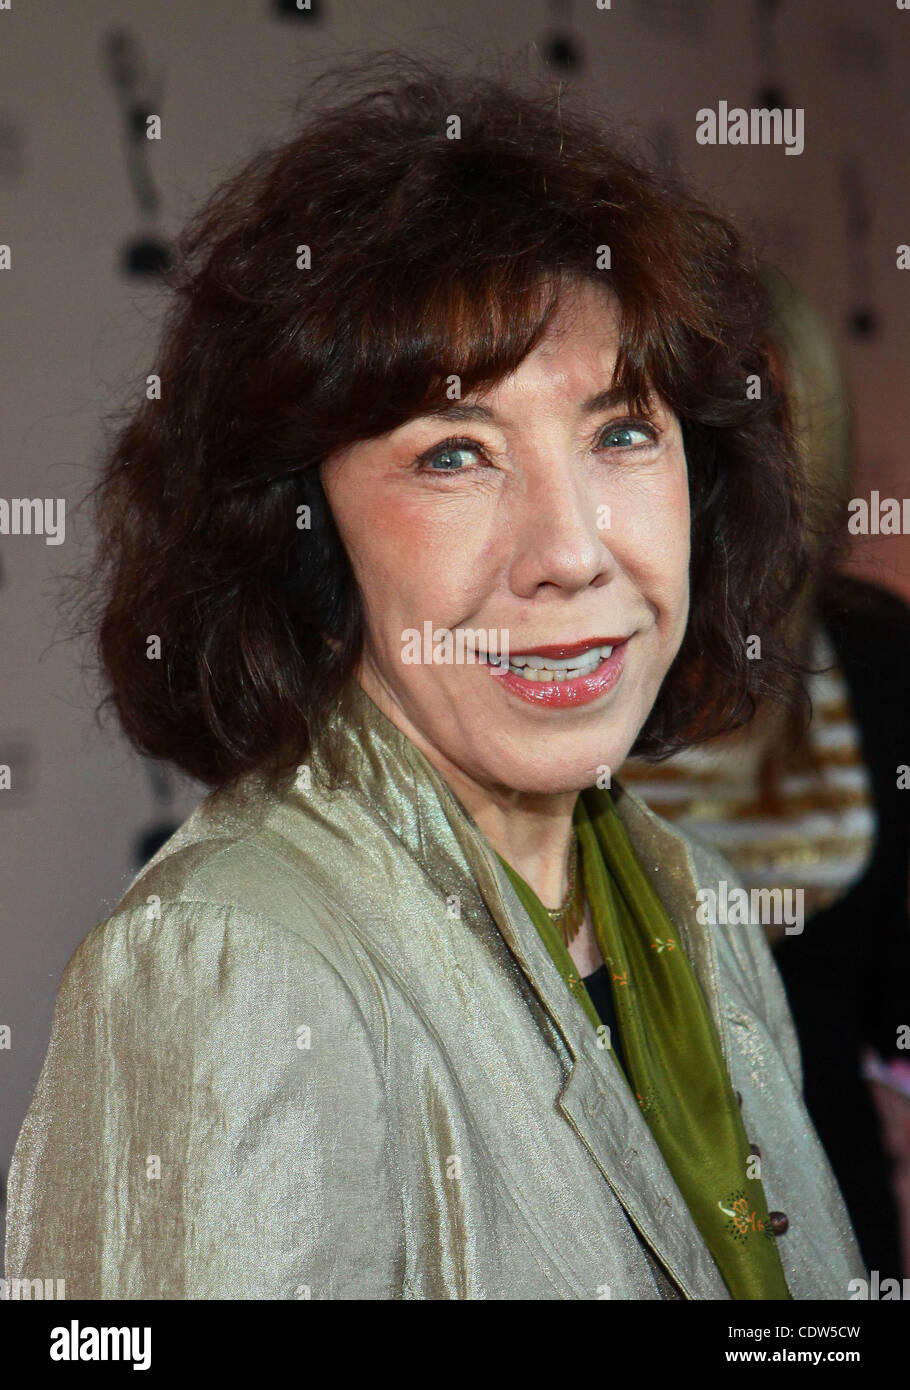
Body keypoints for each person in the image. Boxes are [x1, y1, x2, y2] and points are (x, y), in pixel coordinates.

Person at [4, 55, 866, 1300]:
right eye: (456, 454)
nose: (570, 552)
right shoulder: (232, 968)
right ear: (302, 529)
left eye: (622, 432)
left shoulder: (693, 907)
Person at [619, 266, 910, 1280]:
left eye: (770, 418)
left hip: (836, 1224)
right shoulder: (572, 664)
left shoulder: (878, 657)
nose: (744, 462)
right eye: (699, 421)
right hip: (610, 1228)